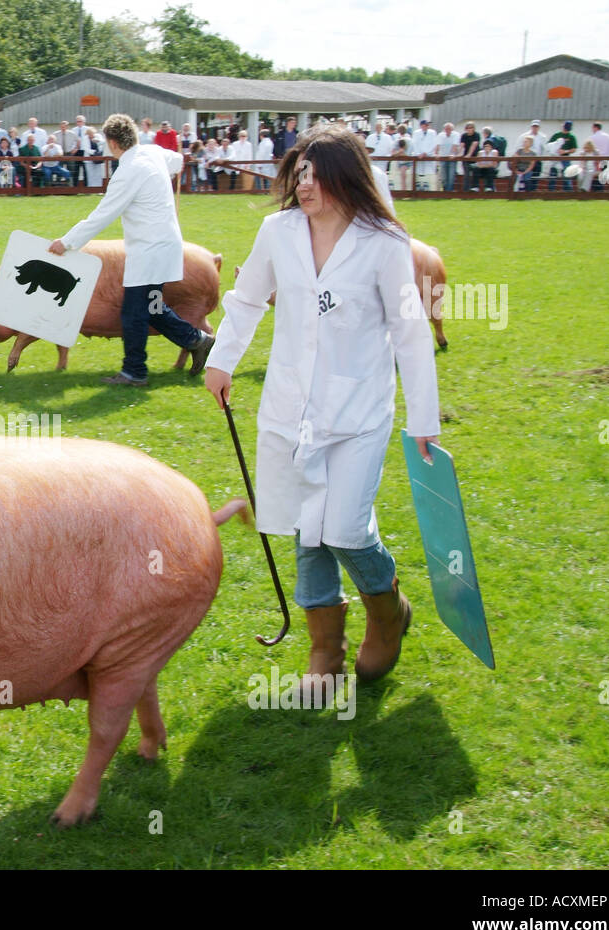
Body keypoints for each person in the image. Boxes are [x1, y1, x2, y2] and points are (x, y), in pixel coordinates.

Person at [202, 123, 439, 690]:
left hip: (359, 410)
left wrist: (423, 419)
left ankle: (388, 614)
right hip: (290, 407)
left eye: (316, 175)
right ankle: (324, 656)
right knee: (308, 527)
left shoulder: (383, 242)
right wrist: (223, 359)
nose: (304, 185)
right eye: (299, 173)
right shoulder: (277, 231)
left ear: (347, 178)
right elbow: (247, 297)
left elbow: (409, 332)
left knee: (346, 530)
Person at [47, 113, 215, 388]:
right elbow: (178, 160)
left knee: (134, 312)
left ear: (113, 143)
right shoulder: (152, 152)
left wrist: (66, 242)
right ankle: (197, 340)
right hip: (164, 244)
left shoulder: (127, 172)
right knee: (151, 306)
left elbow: (102, 215)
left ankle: (134, 372)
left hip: (149, 251)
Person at [546, 121, 578, 191]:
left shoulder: (571, 137)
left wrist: (565, 151)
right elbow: (549, 145)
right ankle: (551, 191)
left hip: (565, 158)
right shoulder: (556, 135)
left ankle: (568, 191)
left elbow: (574, 149)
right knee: (553, 174)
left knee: (566, 175)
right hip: (554, 158)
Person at [434, 122, 462, 192]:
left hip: (452, 158)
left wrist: (452, 154)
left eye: (449, 129)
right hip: (443, 158)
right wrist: (436, 154)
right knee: (443, 176)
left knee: (451, 176)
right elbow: (438, 145)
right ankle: (445, 190)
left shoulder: (456, 134)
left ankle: (449, 191)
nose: (447, 130)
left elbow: (455, 145)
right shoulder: (440, 135)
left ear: (452, 129)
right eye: (446, 129)